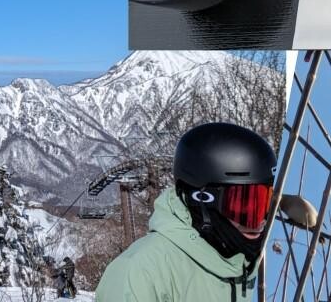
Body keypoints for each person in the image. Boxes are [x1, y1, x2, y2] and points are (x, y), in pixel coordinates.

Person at [96, 122, 278, 300]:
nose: (261, 221)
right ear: (202, 199)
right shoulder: (140, 274)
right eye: (243, 205)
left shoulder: (249, 266)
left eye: (266, 202)